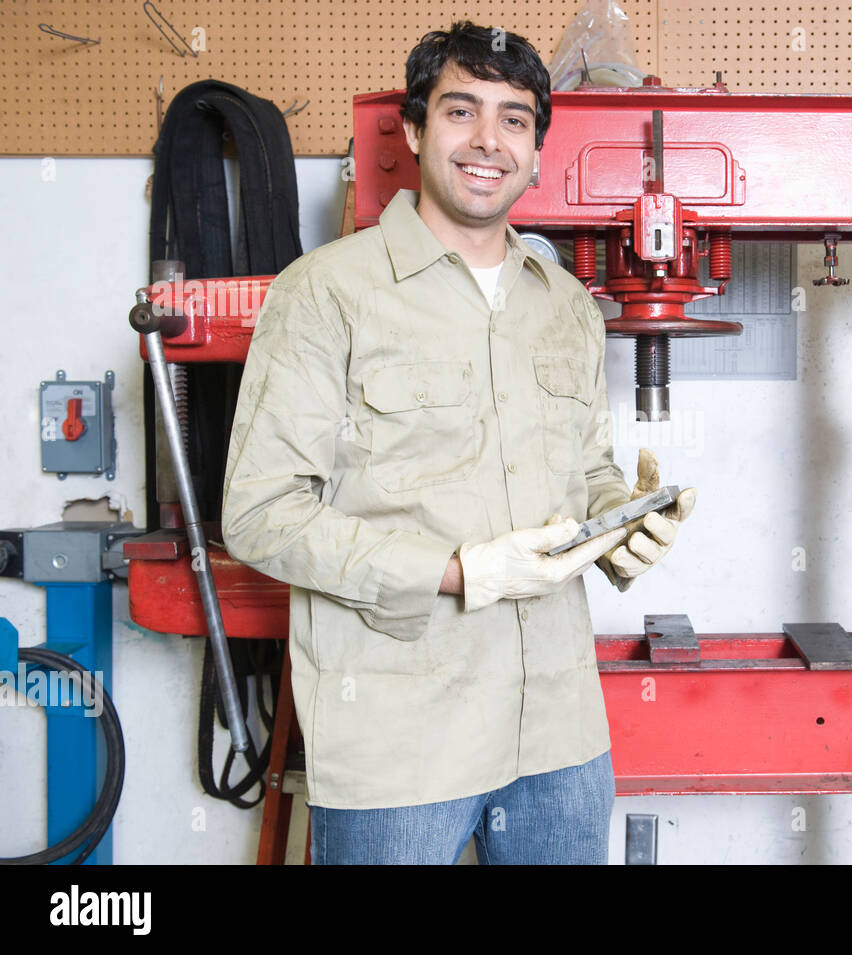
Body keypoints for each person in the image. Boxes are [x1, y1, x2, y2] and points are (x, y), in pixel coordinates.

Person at [221, 21, 695, 864]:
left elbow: (584, 468)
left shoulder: (566, 305)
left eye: (515, 119)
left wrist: (624, 518)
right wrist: (460, 573)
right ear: (412, 130)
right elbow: (261, 514)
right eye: (461, 111)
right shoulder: (327, 294)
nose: (488, 141)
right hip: (399, 742)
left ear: (539, 150)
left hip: (556, 731)